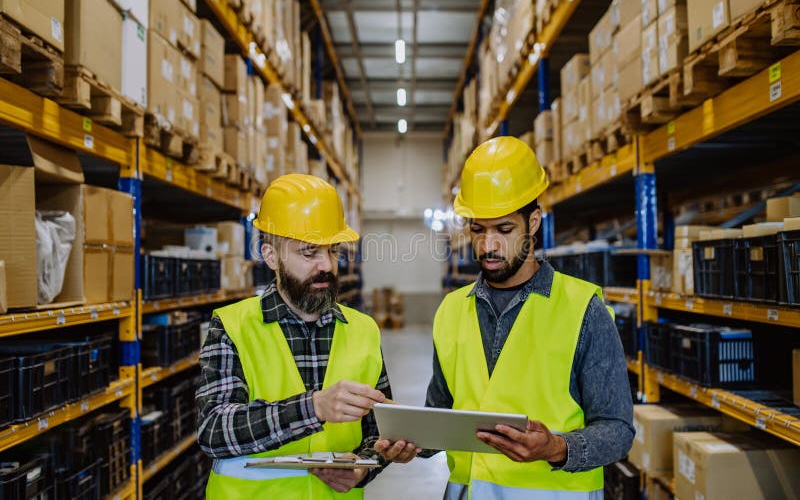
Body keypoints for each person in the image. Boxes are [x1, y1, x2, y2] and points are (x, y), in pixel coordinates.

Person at [375, 136, 634, 499]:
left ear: (533, 222)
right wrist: (412, 440)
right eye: (478, 230)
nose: (488, 246)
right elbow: (443, 416)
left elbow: (618, 430)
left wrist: (556, 447)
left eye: (504, 230)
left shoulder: (582, 309)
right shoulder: (452, 310)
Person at [197, 173, 392, 498]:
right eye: (309, 252)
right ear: (271, 256)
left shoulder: (364, 330)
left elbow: (380, 430)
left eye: (333, 251)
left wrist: (364, 467)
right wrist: (313, 408)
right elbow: (214, 430)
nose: (326, 265)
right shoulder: (232, 326)